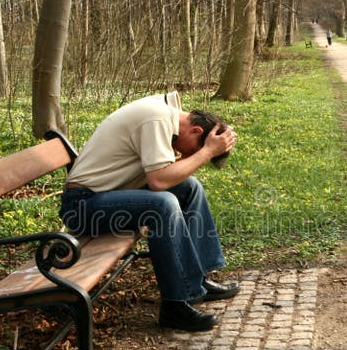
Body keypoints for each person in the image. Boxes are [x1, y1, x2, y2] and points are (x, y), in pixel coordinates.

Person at [59, 91, 239, 332]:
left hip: (106, 197)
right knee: (162, 204)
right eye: (196, 150)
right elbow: (159, 181)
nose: (191, 156)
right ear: (195, 131)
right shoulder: (157, 119)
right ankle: (175, 305)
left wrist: (202, 151)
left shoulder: (164, 116)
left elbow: (167, 175)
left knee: (189, 187)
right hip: (83, 207)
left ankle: (199, 279)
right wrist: (207, 152)